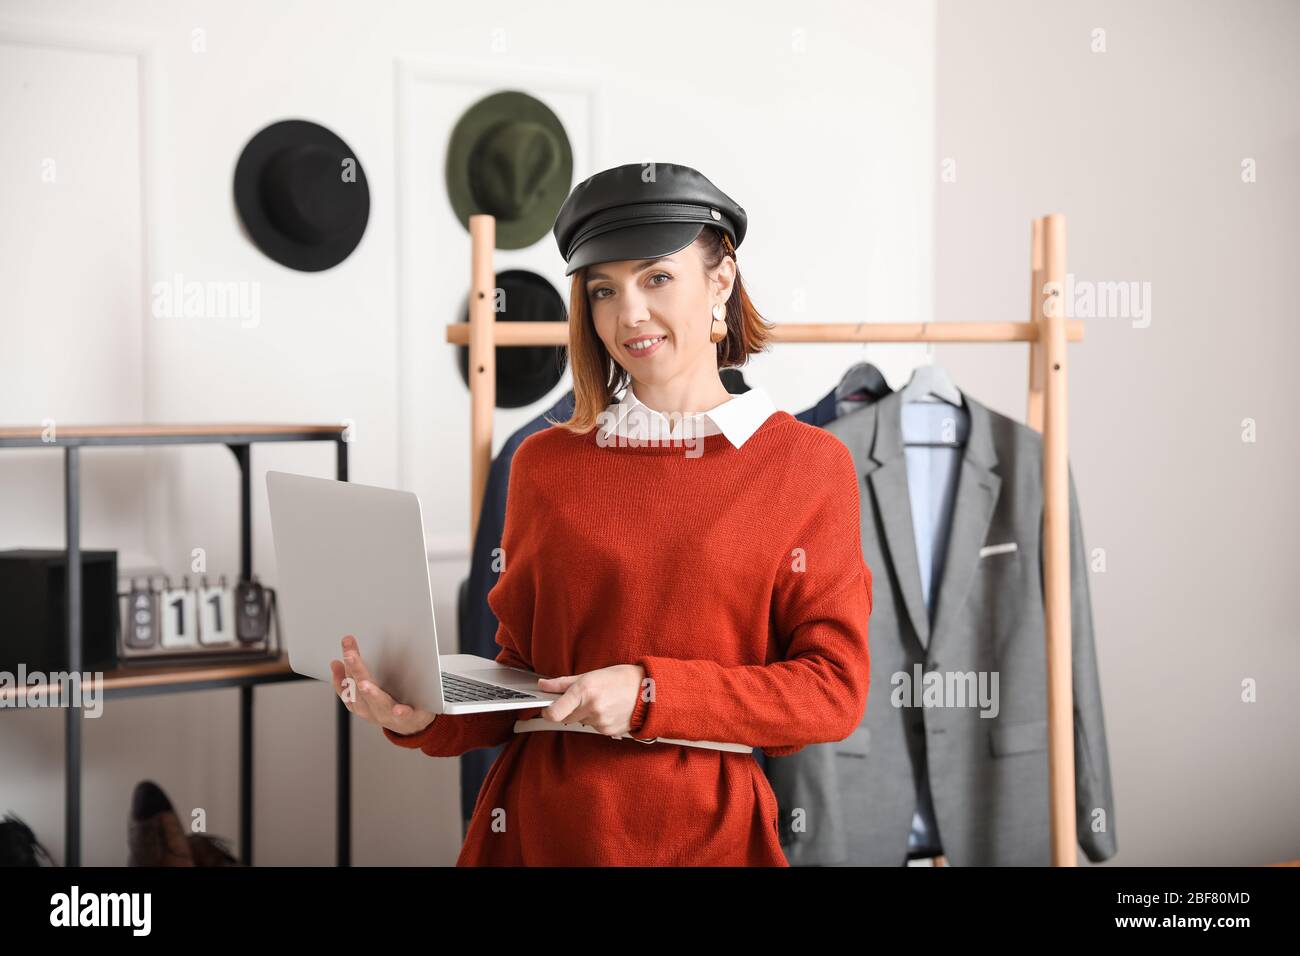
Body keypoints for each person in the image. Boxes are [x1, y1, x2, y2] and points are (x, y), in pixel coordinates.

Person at [331, 162, 873, 865]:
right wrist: (424, 716)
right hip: (536, 828)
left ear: (721, 280)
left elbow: (830, 692)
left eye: (656, 278)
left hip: (704, 837)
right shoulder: (544, 462)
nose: (630, 314)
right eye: (603, 291)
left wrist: (651, 695)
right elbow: (526, 681)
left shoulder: (806, 465)